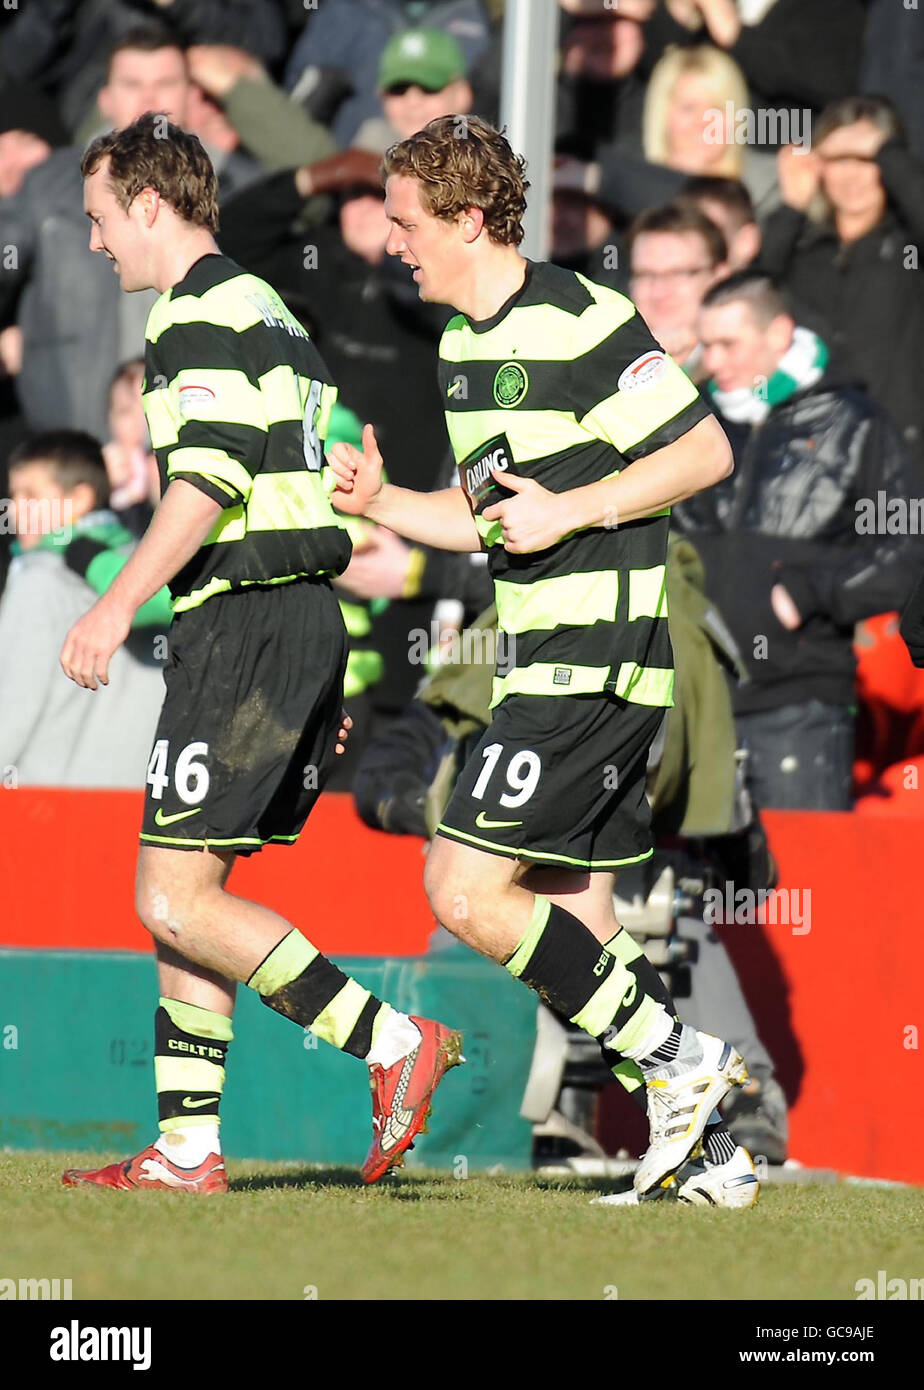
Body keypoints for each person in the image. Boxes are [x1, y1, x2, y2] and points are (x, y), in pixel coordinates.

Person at [329, 115, 752, 1202]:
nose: (394, 242)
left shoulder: (580, 315)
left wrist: (581, 503)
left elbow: (705, 447)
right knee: (579, 919)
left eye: (410, 222)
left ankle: (682, 1059)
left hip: (595, 659)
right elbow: (488, 521)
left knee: (462, 886)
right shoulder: (464, 348)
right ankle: (716, 1157)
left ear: (471, 219)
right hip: (538, 658)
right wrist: (380, 503)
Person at [58, 113, 462, 1196]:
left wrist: (114, 608)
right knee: (189, 886)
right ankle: (188, 1149)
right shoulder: (270, 309)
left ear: (149, 205)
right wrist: (306, 668)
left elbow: (209, 480)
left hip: (247, 617)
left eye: (101, 219)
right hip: (285, 619)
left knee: (172, 897)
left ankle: (389, 1043)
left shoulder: (195, 314)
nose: (95, 243)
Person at [673, 272, 920, 811]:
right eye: (705, 344)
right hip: (687, 700)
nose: (713, 362)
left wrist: (806, 593)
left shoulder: (856, 423)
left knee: (800, 885)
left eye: (728, 344)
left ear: (779, 334)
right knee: (687, 890)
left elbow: (905, 552)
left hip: (797, 706)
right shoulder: (690, 422)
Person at [760, 95, 924, 485]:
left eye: (865, 160)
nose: (851, 176)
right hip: (810, 462)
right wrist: (791, 208)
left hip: (901, 460)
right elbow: (750, 302)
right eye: (837, 160)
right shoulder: (802, 247)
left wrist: (887, 151)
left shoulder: (909, 250)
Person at [0, 431, 165, 788]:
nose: (13, 509)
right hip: (139, 799)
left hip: (45, 805)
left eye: (29, 495)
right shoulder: (154, 571)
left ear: (79, 499)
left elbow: (12, 704)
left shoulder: (37, 579)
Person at [627, 202, 728, 377]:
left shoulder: (748, 365)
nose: (659, 292)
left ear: (719, 277)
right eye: (645, 274)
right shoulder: (605, 364)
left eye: (678, 273)